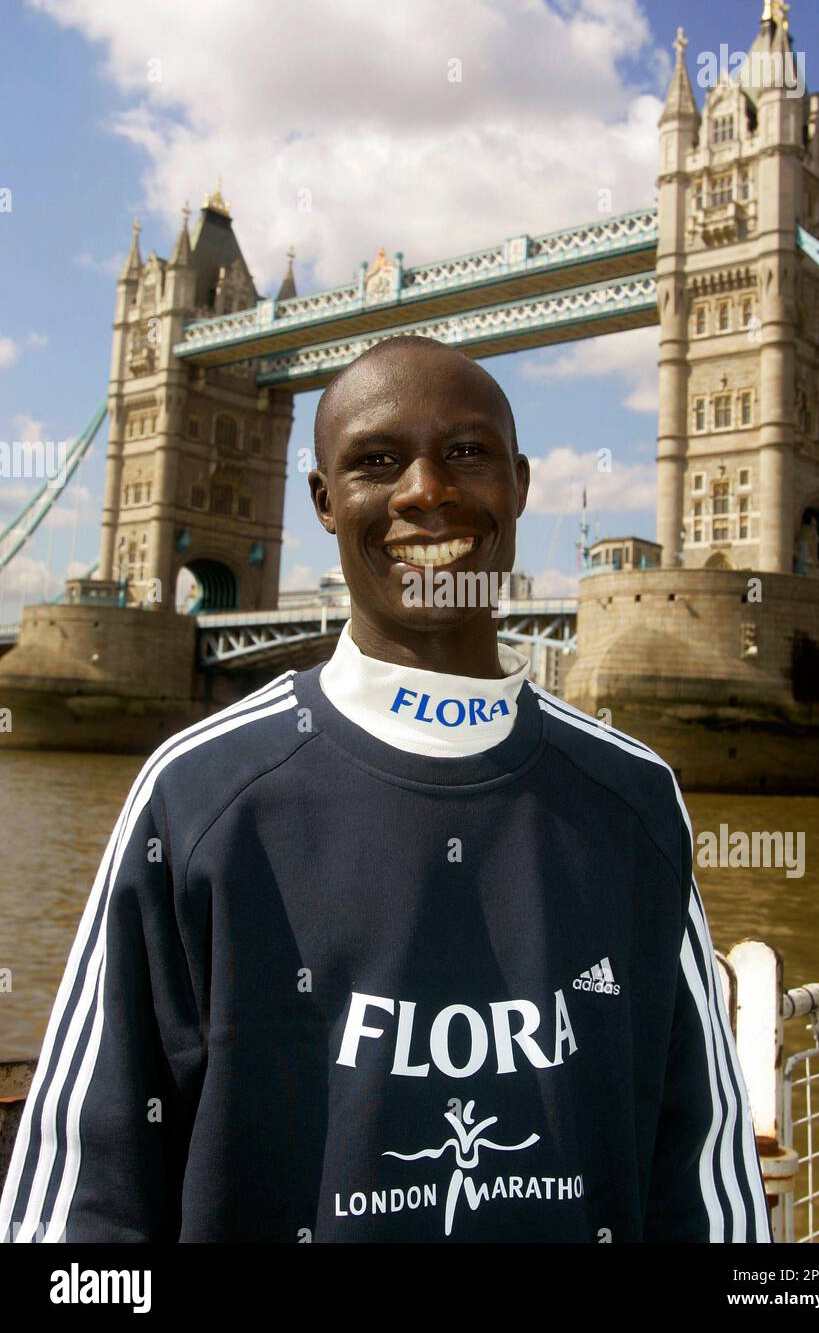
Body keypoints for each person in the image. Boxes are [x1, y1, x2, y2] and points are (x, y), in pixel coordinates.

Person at [0, 335, 772, 1243]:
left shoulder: (636, 796)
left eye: (466, 453)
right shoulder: (197, 797)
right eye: (375, 462)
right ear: (324, 503)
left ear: (519, 484)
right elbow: (85, 1205)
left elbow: (702, 1175)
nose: (424, 492)